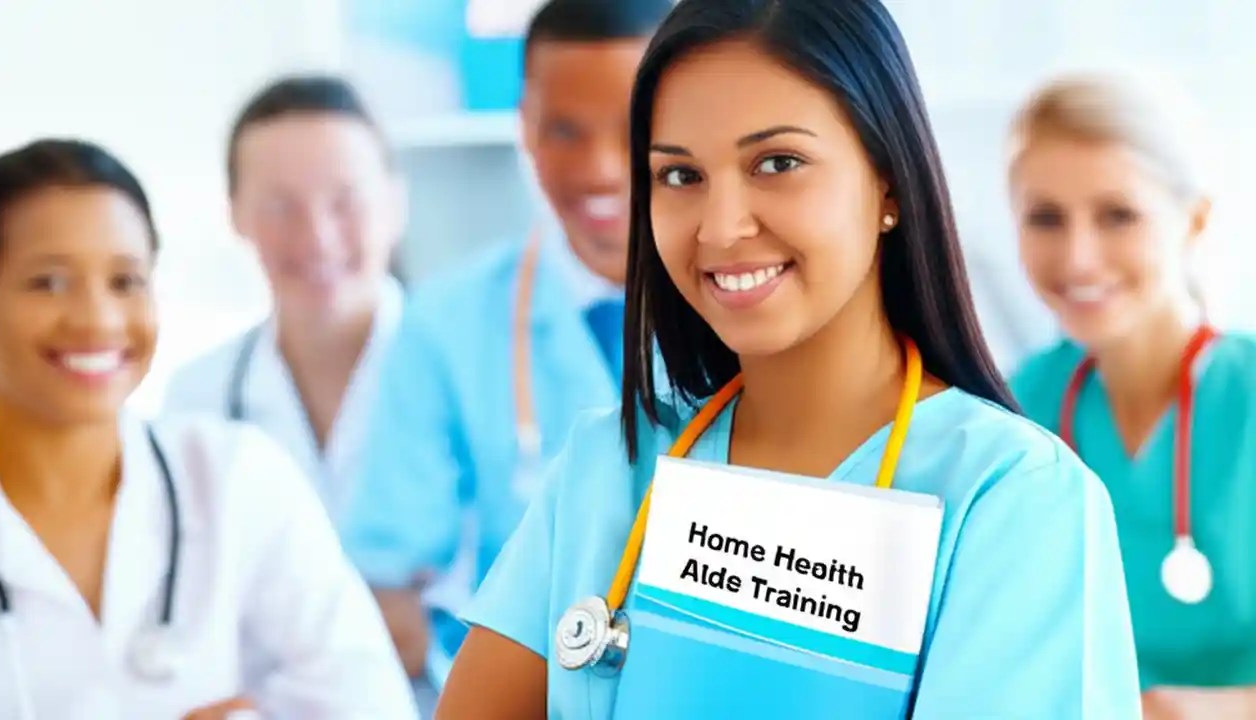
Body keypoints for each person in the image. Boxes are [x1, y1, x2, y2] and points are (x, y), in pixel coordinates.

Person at [435, 1, 1142, 717]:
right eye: (681, 176)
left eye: (777, 163)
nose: (721, 226)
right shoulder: (608, 468)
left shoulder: (1013, 500)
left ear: (887, 181)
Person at [0, 139, 418, 719]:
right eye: (49, 283)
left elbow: (373, 707)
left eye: (126, 281)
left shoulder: (236, 478)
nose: (98, 319)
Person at [337, 0, 674, 688]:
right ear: (523, 126)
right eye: (564, 131)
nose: (601, 169)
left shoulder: (750, 310)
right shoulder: (445, 326)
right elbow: (389, 586)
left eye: (633, 130)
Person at [1008, 74, 1256, 718]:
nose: (1079, 259)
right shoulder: (1015, 409)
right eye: (1046, 219)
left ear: (1194, 221)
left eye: (1117, 215)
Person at [162, 75, 404, 526]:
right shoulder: (198, 399)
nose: (317, 237)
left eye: (344, 201)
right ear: (234, 214)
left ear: (395, 203)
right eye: (280, 206)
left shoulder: (479, 375)